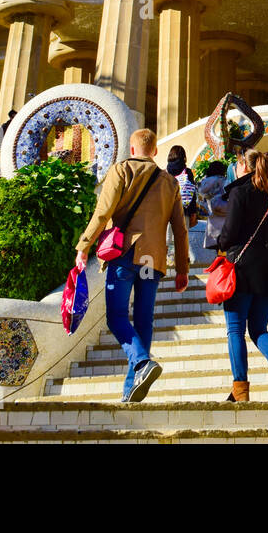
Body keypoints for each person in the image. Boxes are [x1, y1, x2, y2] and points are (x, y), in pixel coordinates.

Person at [75, 129, 189, 403]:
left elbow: (103, 212)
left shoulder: (121, 170)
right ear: (156, 151)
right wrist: (182, 269)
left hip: (124, 254)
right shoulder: (169, 182)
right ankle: (132, 387)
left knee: (116, 317)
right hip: (153, 259)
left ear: (132, 148)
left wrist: (84, 245)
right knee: (143, 320)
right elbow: (180, 229)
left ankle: (141, 363)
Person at [208, 149, 268, 402]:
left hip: (242, 271)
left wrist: (219, 242)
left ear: (243, 165)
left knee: (235, 330)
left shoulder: (239, 192)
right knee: (258, 328)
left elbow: (230, 232)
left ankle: (241, 390)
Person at [166, 145, 199, 227]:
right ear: (184, 157)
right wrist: (193, 212)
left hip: (167, 212)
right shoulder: (187, 172)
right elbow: (192, 193)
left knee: (167, 239)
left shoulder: (165, 173)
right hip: (183, 211)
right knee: (182, 238)